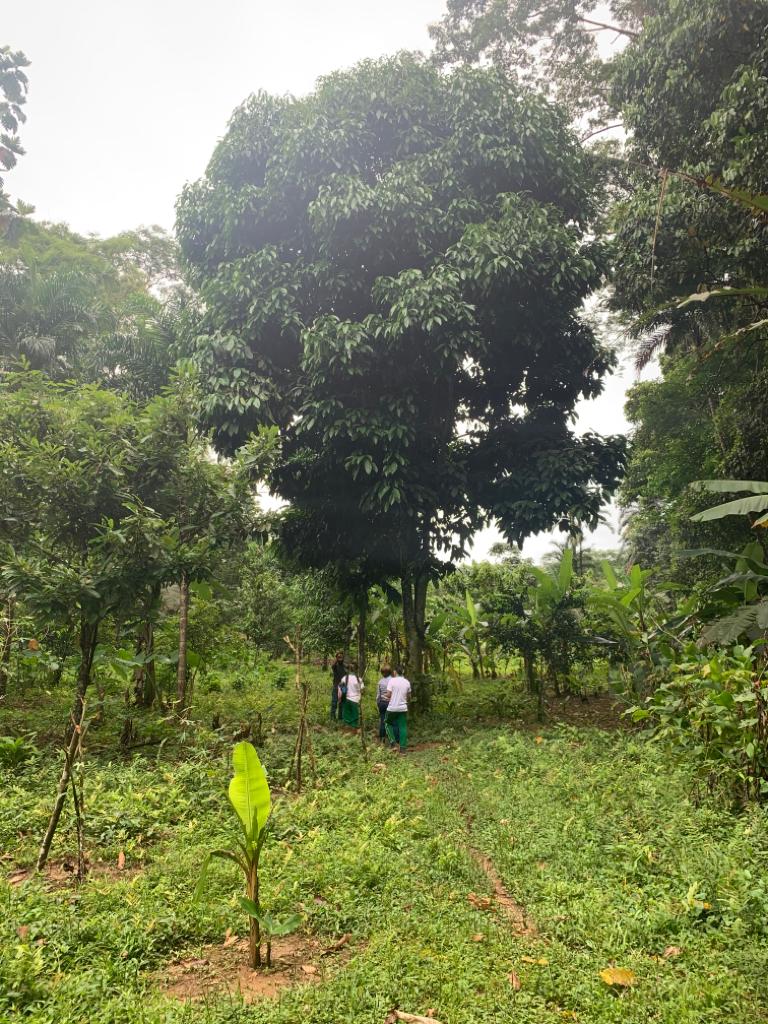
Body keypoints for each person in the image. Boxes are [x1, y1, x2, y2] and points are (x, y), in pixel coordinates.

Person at [384, 667, 411, 753]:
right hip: (402, 708)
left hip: (392, 708)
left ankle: (393, 742)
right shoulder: (407, 682)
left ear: (395, 672)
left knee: (387, 723)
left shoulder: (392, 681)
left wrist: (385, 697)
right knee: (402, 727)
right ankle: (403, 749)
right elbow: (409, 696)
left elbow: (388, 694)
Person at [340, 661, 364, 729]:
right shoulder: (359, 679)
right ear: (356, 669)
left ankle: (348, 729)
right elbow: (362, 691)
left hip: (346, 699)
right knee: (355, 715)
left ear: (348, 669)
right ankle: (354, 729)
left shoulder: (344, 678)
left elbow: (341, 688)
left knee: (347, 715)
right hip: (355, 700)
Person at [376, 665, 392, 741]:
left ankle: (382, 737)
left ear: (382, 673)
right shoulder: (393, 680)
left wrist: (378, 703)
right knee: (391, 721)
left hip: (382, 703)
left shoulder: (380, 682)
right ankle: (391, 737)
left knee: (383, 720)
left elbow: (378, 695)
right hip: (390, 703)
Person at [330, 651, 346, 722]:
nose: (340, 658)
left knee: (342, 703)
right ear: (336, 658)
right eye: (339, 657)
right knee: (334, 702)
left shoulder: (345, 666)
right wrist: (337, 657)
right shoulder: (335, 666)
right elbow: (332, 665)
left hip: (343, 686)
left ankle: (340, 718)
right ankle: (332, 718)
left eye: (341, 657)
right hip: (336, 686)